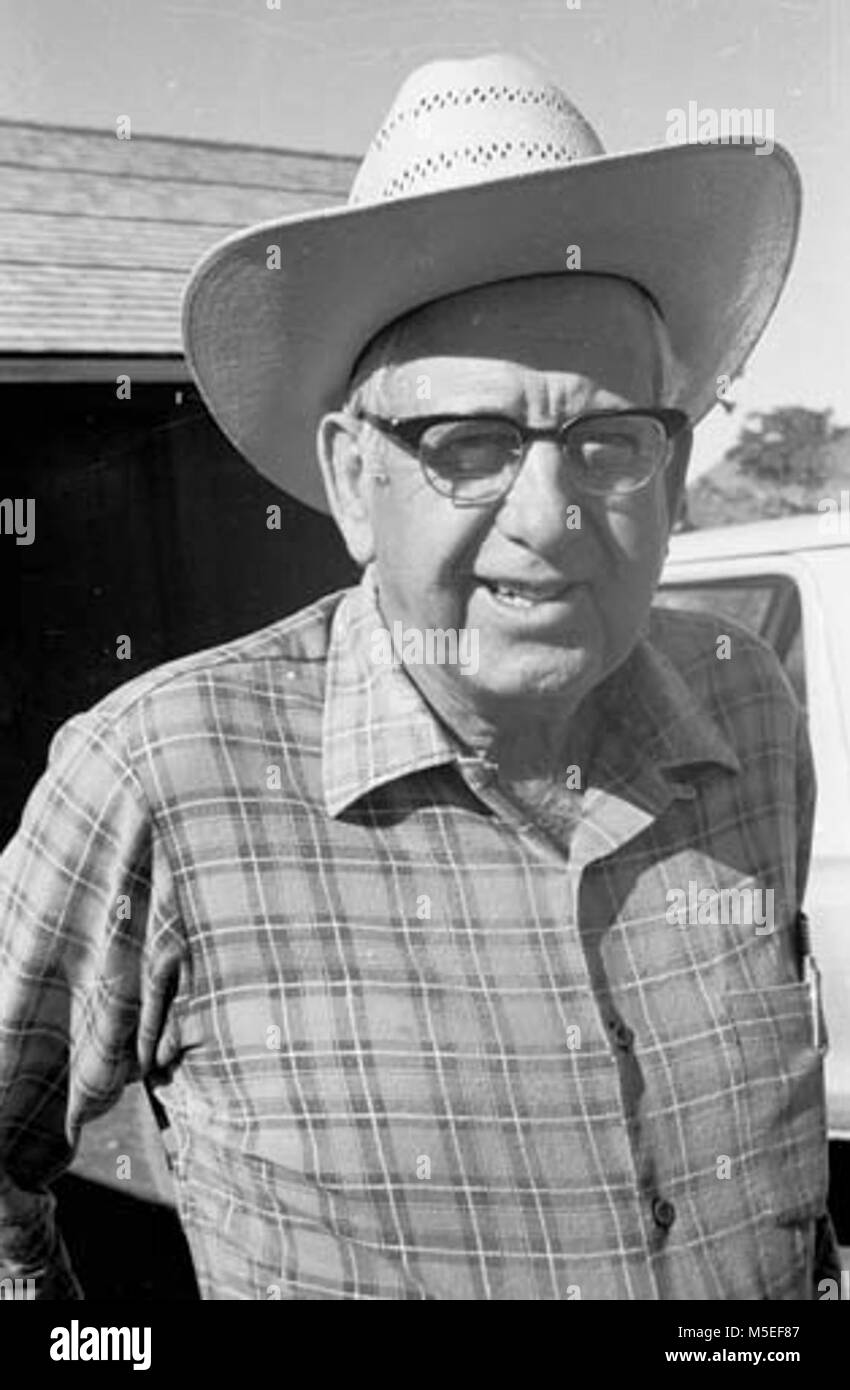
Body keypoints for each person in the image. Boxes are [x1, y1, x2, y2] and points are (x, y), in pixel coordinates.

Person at [0, 52, 840, 1300]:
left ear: (670, 475)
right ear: (352, 478)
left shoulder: (748, 711)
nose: (548, 519)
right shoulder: (163, 775)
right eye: (470, 443)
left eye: (609, 438)